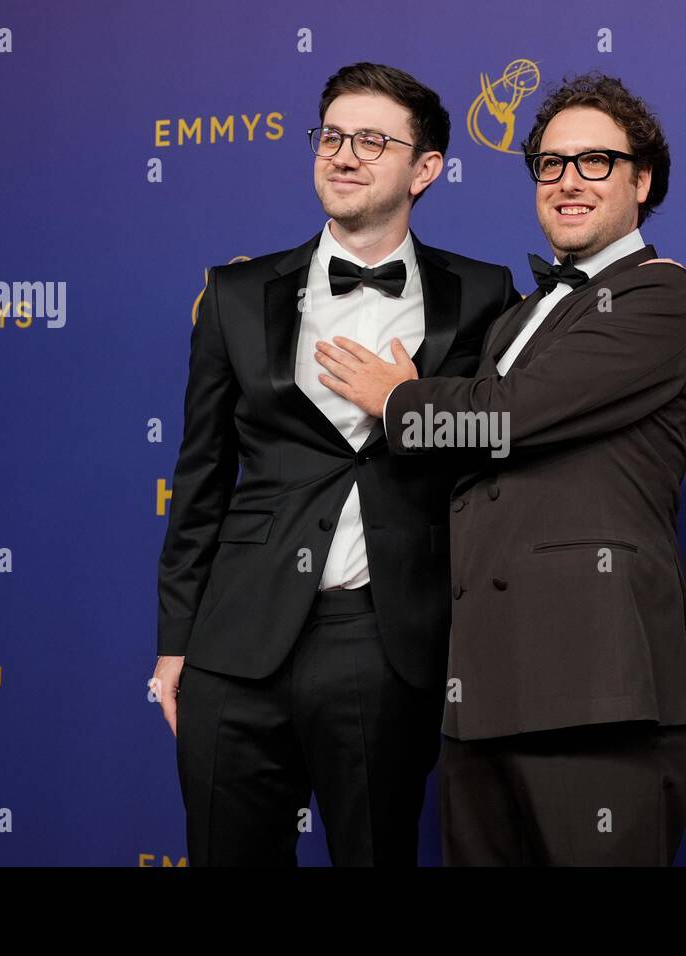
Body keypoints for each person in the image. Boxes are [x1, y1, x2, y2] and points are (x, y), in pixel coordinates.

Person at [315, 71, 686, 865]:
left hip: (595, 686)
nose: (568, 180)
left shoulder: (664, 295)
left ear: (642, 181)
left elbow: (509, 416)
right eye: (549, 163)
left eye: (596, 162)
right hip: (481, 695)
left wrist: (398, 400)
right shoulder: (514, 317)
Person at [153, 62, 520, 865]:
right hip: (235, 638)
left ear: (426, 169)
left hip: (385, 638)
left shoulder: (484, 294)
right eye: (331, 136)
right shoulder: (235, 293)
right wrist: (176, 644)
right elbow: (200, 478)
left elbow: (501, 445)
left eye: (371, 140)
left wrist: (411, 403)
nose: (342, 155)